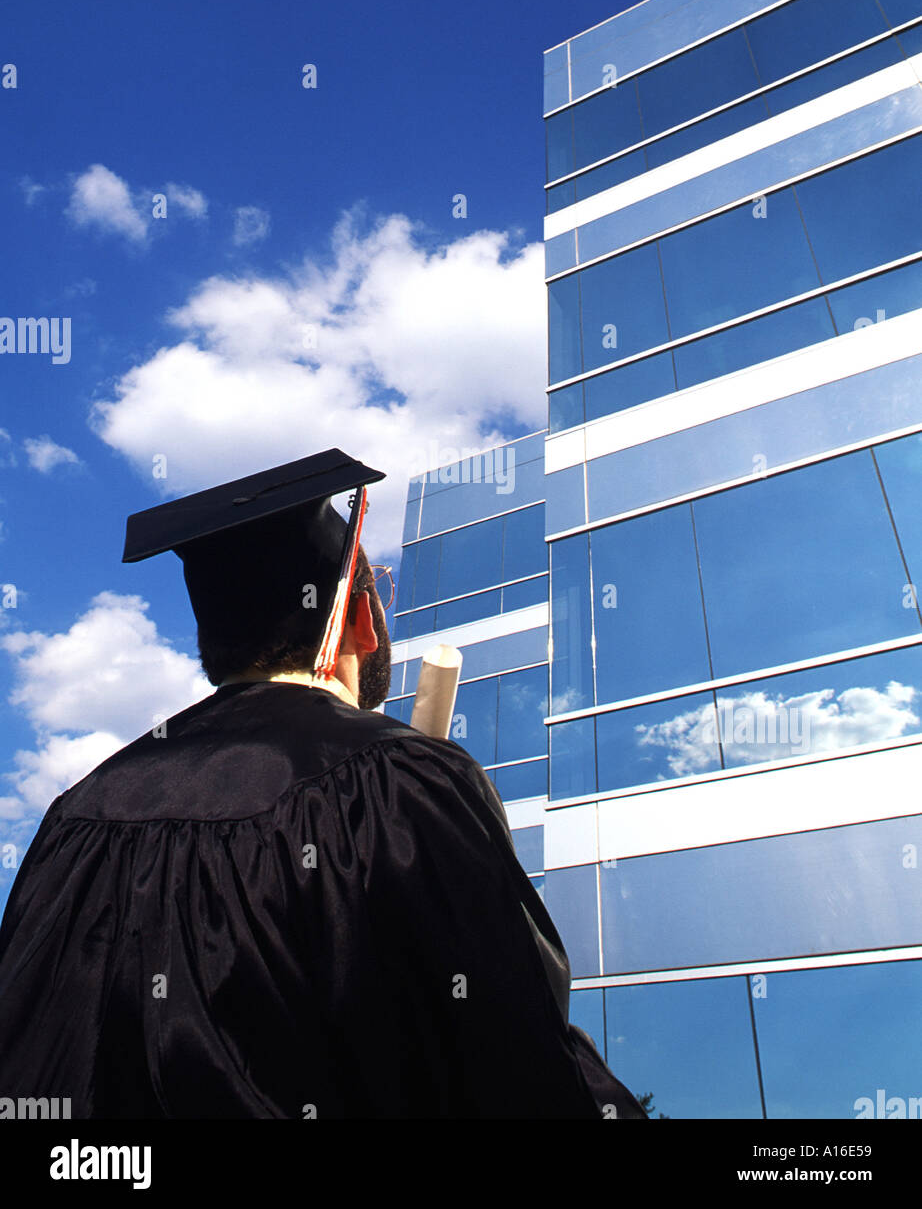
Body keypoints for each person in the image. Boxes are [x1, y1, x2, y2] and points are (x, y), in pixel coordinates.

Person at [0, 448, 646, 1119]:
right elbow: (522, 1073)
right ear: (359, 619)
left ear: (214, 639)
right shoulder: (400, 784)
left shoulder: (77, 817)